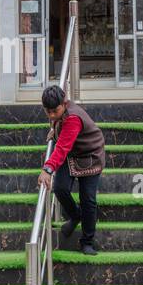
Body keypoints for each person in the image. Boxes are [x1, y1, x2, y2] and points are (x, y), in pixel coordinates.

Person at [37, 84, 105, 255]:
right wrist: (54, 129)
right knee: (60, 188)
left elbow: (61, 149)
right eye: (48, 112)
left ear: (64, 103)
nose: (52, 115)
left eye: (55, 111)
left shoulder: (73, 118)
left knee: (88, 200)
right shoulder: (57, 112)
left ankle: (87, 241)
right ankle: (75, 216)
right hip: (71, 155)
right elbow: (59, 129)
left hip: (90, 155)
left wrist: (47, 169)